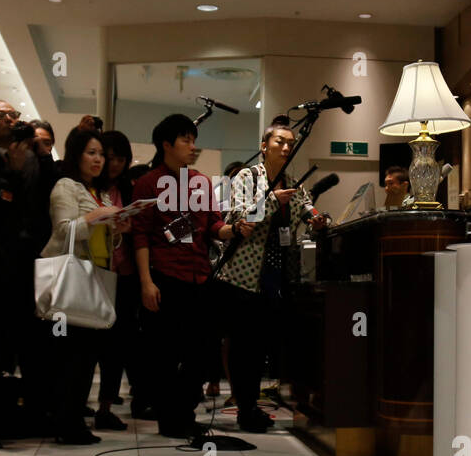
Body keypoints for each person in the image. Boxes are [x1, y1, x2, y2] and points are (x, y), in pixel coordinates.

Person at [131, 114, 235, 438]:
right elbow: (141, 236)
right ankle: (169, 418)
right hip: (166, 277)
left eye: (194, 140)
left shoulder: (201, 182)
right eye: (186, 140)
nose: (193, 147)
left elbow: (214, 226)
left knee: (201, 352)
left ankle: (185, 411)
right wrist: (147, 282)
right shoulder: (148, 183)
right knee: (164, 354)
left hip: (199, 277)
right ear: (166, 145)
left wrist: (234, 229)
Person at [217, 123, 321, 432]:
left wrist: (318, 219)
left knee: (263, 347)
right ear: (264, 146)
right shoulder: (247, 177)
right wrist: (274, 200)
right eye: (280, 142)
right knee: (242, 346)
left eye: (290, 143)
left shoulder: (293, 182)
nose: (287, 148)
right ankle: (245, 409)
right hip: (243, 276)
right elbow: (238, 218)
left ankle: (252, 406)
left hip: (277, 277)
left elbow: (307, 208)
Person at [40, 127, 128, 444]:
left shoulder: (99, 193)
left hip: (95, 276)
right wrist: (95, 218)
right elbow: (62, 232)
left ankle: (74, 419)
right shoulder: (66, 186)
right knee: (70, 356)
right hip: (69, 276)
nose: (98, 159)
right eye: (92, 153)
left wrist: (117, 227)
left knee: (87, 356)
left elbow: (105, 241)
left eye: (102, 154)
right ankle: (65, 422)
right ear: (77, 154)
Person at [96, 131, 141, 425]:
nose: (112, 164)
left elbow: (141, 229)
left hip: (124, 274)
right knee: (91, 345)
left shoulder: (129, 188)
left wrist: (130, 227)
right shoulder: (86, 187)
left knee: (118, 343)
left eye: (120, 159)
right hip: (95, 274)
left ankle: (106, 406)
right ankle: (79, 405)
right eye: (108, 157)